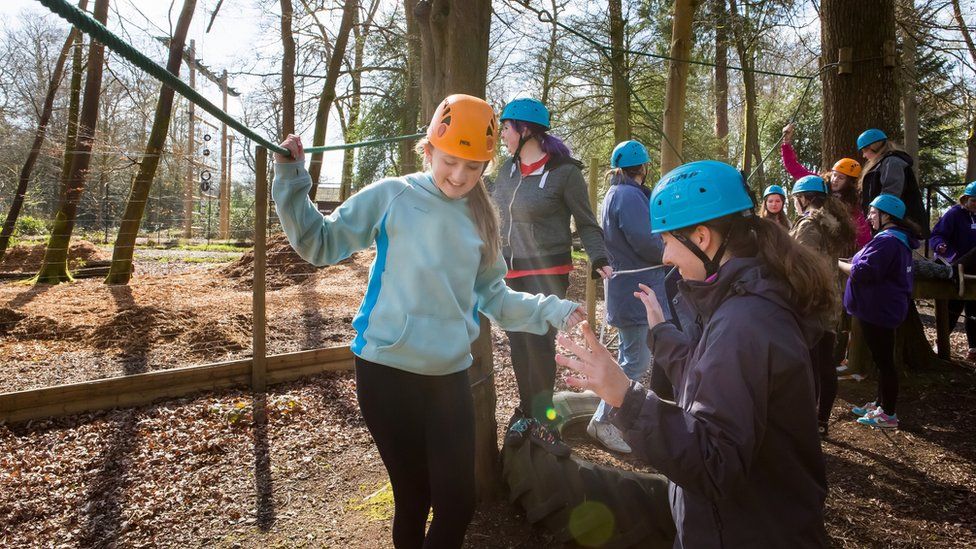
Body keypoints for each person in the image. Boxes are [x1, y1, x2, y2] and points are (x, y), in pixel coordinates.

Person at [272, 94, 585, 549]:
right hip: (386, 371)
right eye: (451, 161)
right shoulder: (393, 195)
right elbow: (318, 243)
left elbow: (495, 297)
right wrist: (291, 177)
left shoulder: (482, 218)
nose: (460, 177)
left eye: (474, 166)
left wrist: (555, 310)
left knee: (458, 503)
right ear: (428, 150)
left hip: (449, 376)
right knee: (414, 498)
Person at [556, 160, 831, 547]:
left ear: (701, 238)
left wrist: (625, 396)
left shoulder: (745, 322)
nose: (665, 256)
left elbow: (715, 461)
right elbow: (715, 383)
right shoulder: (745, 300)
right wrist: (662, 333)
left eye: (667, 241)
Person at [490, 97, 610, 456]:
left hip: (548, 273)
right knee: (517, 343)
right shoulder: (506, 171)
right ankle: (528, 410)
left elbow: (587, 224)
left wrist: (599, 258)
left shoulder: (565, 173)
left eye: (507, 129)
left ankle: (542, 417)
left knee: (539, 346)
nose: (503, 137)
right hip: (510, 270)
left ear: (525, 130)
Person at [590, 139, 669, 453]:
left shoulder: (616, 193)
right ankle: (602, 420)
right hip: (636, 289)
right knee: (633, 362)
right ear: (644, 167)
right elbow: (646, 242)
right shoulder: (629, 196)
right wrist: (672, 251)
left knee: (633, 357)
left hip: (630, 288)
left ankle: (618, 418)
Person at [839, 194, 919, 430]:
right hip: (878, 309)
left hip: (879, 311)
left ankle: (889, 414)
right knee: (880, 359)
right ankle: (879, 404)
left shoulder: (888, 241)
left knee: (884, 362)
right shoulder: (892, 239)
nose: (870, 217)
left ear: (887, 216)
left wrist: (838, 264)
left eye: (874, 213)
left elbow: (863, 271)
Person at [790, 175, 857, 437]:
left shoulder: (808, 225)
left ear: (803, 198)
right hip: (828, 303)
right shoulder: (831, 223)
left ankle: (807, 420)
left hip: (809, 302)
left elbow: (799, 264)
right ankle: (821, 420)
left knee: (808, 365)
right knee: (824, 363)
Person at [781, 123, 870, 248]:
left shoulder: (852, 202)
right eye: (834, 175)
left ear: (850, 182)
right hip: (811, 233)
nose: (835, 180)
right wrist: (786, 142)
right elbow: (794, 167)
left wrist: (867, 251)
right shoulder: (819, 184)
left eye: (841, 177)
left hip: (831, 243)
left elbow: (862, 231)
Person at [930, 180, 976, 360]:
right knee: (952, 307)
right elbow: (937, 235)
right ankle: (941, 345)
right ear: (965, 199)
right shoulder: (954, 214)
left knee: (974, 309)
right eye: (973, 200)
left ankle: (974, 349)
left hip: (974, 272)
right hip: (955, 265)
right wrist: (941, 246)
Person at [856, 128, 929, 237]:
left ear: (873, 147)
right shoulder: (884, 162)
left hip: (894, 223)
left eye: (864, 150)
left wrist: (880, 216)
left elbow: (890, 195)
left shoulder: (892, 162)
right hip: (886, 222)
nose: (864, 156)